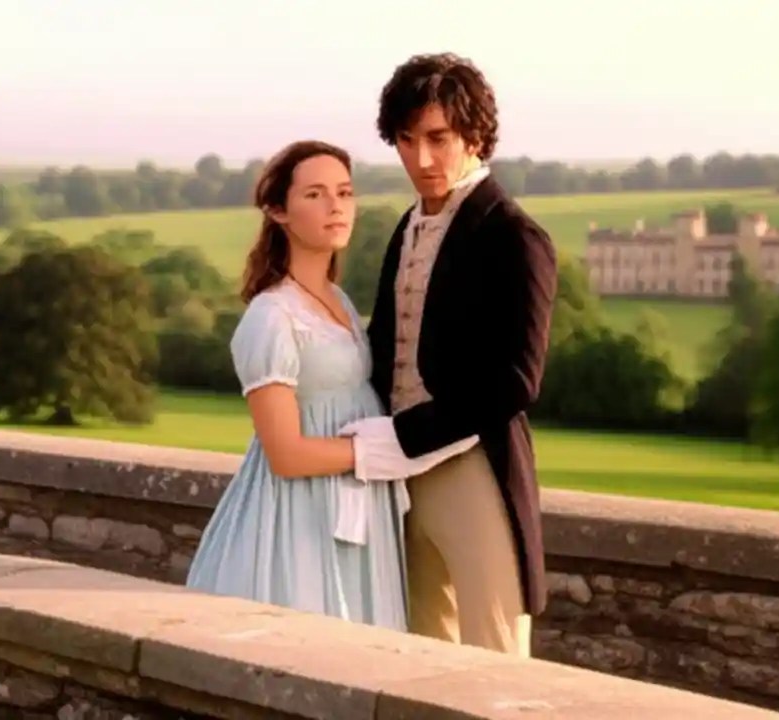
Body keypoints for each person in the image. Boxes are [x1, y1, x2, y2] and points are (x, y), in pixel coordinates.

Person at [184, 139, 472, 631]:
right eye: (315, 194)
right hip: (299, 520)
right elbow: (285, 454)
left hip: (360, 510)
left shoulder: (337, 299)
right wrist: (382, 451)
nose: (335, 205)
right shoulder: (272, 316)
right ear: (278, 211)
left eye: (344, 192)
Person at [340, 53, 558, 657]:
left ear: (475, 134)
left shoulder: (515, 235)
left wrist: (408, 435)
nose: (421, 159)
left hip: (474, 466)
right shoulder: (405, 227)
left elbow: (517, 379)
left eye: (437, 138)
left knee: (495, 658)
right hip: (399, 476)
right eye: (406, 141)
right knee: (416, 653)